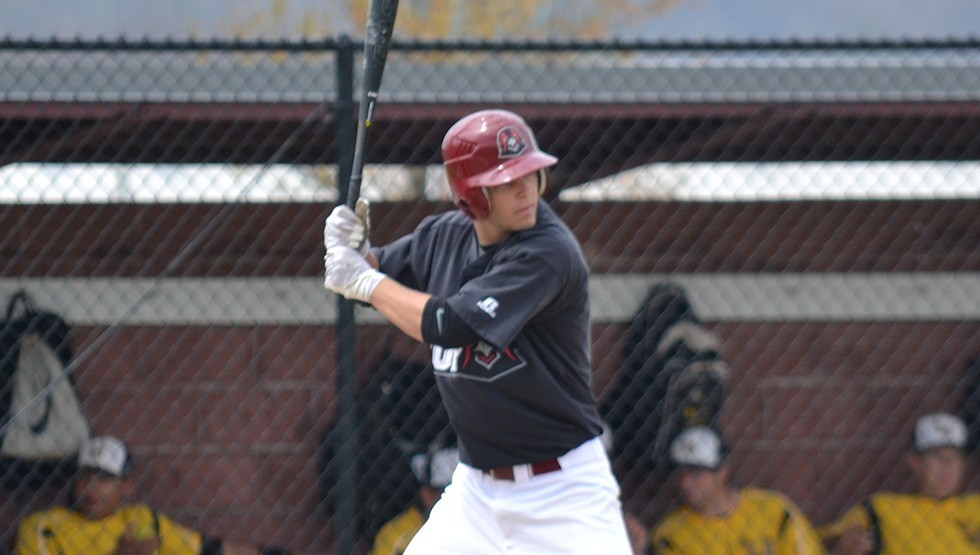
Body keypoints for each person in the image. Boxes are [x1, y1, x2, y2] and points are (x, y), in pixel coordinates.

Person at [323, 109, 633, 554]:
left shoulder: (547, 252)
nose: (526, 190)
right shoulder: (444, 236)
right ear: (471, 195)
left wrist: (367, 281)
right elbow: (372, 281)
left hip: (563, 491)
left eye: (531, 174)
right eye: (507, 181)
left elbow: (449, 326)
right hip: (478, 492)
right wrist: (355, 253)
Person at [14, 435, 295, 555]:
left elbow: (211, 550)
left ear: (127, 487)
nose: (91, 488)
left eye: (105, 479)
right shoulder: (44, 527)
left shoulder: (140, 520)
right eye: (85, 476)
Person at [821, 412, 980, 554]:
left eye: (954, 457)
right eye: (936, 456)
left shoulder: (975, 506)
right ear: (915, 461)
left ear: (963, 463)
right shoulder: (884, 508)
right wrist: (841, 550)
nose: (947, 466)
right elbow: (821, 542)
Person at [650, 426, 825, 554]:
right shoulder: (670, 535)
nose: (685, 482)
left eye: (696, 473)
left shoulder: (774, 510)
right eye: (679, 472)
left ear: (722, 472)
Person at [371, 446, 460, 555]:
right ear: (425, 493)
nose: (448, 498)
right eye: (441, 492)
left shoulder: (466, 528)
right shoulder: (396, 534)